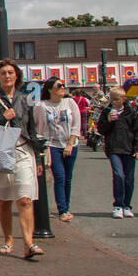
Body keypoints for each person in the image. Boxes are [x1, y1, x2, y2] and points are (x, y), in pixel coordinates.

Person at [0, 59, 47, 259]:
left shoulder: (25, 100)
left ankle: (29, 244)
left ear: (17, 76)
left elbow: (31, 129)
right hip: (0, 154)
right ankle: (8, 239)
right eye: (3, 73)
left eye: (11, 73)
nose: (7, 76)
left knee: (24, 199)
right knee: (4, 200)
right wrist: (1, 118)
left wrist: (39, 158)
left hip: (23, 152)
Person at [36, 77, 81, 221]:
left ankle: (66, 207)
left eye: (64, 85)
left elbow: (76, 125)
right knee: (60, 176)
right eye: (59, 86)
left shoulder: (70, 103)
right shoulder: (41, 106)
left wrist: (70, 144)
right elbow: (40, 129)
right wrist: (45, 147)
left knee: (68, 177)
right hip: (52, 145)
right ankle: (62, 210)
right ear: (50, 89)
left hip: (70, 144)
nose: (63, 88)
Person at [97, 87, 138, 218]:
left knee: (129, 178)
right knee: (119, 175)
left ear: (124, 99)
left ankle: (127, 205)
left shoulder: (131, 112)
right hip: (114, 148)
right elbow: (101, 129)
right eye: (112, 99)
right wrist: (109, 121)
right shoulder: (107, 111)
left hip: (129, 148)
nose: (114, 102)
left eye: (117, 100)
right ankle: (118, 205)